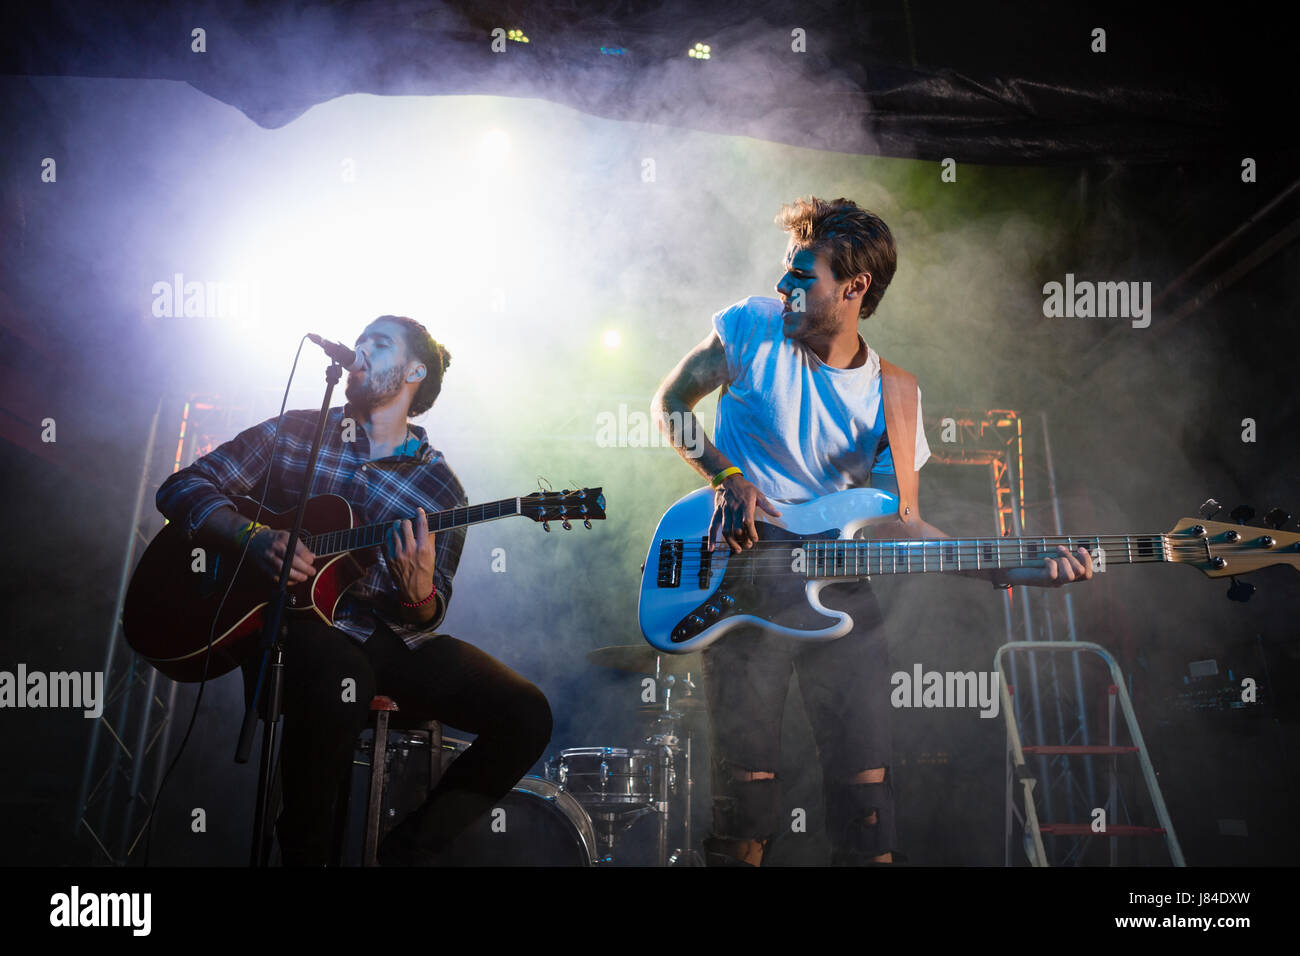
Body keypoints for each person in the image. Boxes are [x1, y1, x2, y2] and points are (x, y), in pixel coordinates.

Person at [651, 197, 1093, 866]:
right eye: (786, 270)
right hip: (738, 580)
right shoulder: (751, 327)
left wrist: (1006, 567)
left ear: (855, 288)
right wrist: (725, 477)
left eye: (804, 275)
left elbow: (904, 524)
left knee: (868, 813)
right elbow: (671, 401)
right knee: (745, 811)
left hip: (843, 590)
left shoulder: (898, 397)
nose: (784, 286)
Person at [156, 314, 552, 865]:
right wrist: (249, 536)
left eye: (380, 342)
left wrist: (417, 595)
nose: (361, 347)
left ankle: (405, 855)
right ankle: (305, 856)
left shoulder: (439, 487)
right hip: (290, 629)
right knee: (344, 674)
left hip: (377, 635)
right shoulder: (298, 431)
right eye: (361, 338)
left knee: (526, 713)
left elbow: (425, 611)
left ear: (416, 371)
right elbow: (180, 486)